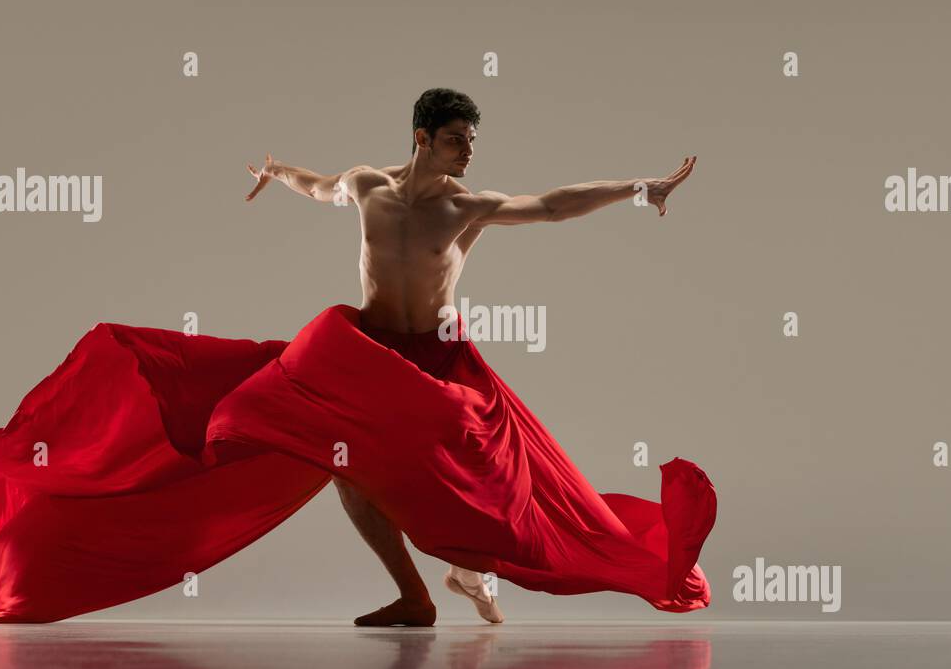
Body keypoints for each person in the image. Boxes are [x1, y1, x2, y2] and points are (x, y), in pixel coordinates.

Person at [244, 88, 696, 625]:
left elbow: (552, 206)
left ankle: (470, 571)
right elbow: (319, 187)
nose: (468, 151)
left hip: (440, 358)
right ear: (422, 138)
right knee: (349, 471)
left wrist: (639, 188)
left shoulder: (466, 207)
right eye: (456, 140)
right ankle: (415, 597)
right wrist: (277, 171)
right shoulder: (368, 186)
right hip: (374, 353)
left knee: (484, 475)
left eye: (471, 141)